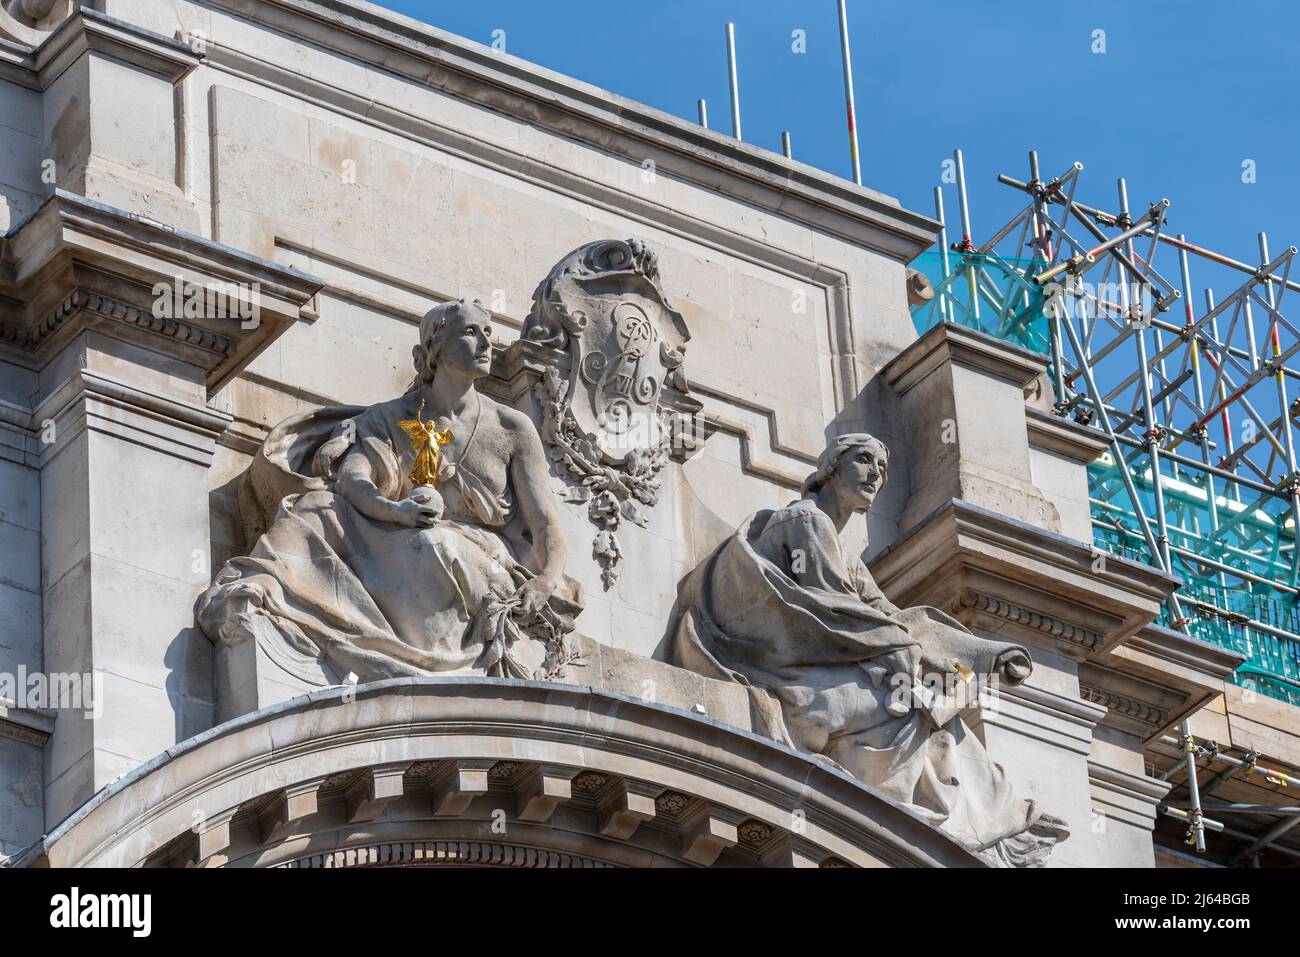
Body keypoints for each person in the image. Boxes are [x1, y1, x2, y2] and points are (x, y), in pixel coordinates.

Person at [666, 432, 1068, 866]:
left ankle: (993, 818)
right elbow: (833, 612)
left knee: (929, 705)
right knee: (905, 706)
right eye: (863, 460)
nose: (876, 473)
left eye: (882, 467)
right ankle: (928, 822)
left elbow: (893, 617)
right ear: (830, 469)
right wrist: (909, 657)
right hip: (782, 665)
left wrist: (980, 655)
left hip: (824, 661)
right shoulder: (806, 522)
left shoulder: (848, 556)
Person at [198, 299, 581, 683]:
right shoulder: (389, 417)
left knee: (436, 545)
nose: (486, 344)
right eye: (470, 332)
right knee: (315, 507)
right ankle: (271, 591)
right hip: (402, 527)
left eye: (488, 333)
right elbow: (353, 480)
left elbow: (547, 525)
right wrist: (395, 512)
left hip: (481, 555)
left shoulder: (511, 428)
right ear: (434, 349)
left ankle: (408, 656)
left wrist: (546, 581)